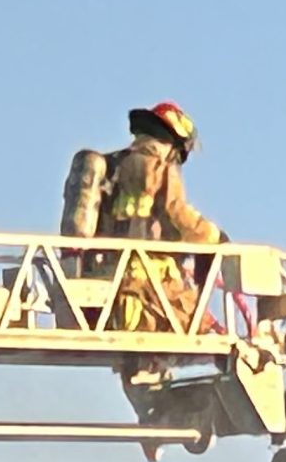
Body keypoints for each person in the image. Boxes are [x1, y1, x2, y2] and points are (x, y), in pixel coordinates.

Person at [96, 101, 225, 336]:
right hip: (151, 286)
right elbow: (179, 213)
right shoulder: (159, 168)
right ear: (173, 142)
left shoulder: (112, 166)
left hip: (114, 286)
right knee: (199, 326)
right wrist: (216, 238)